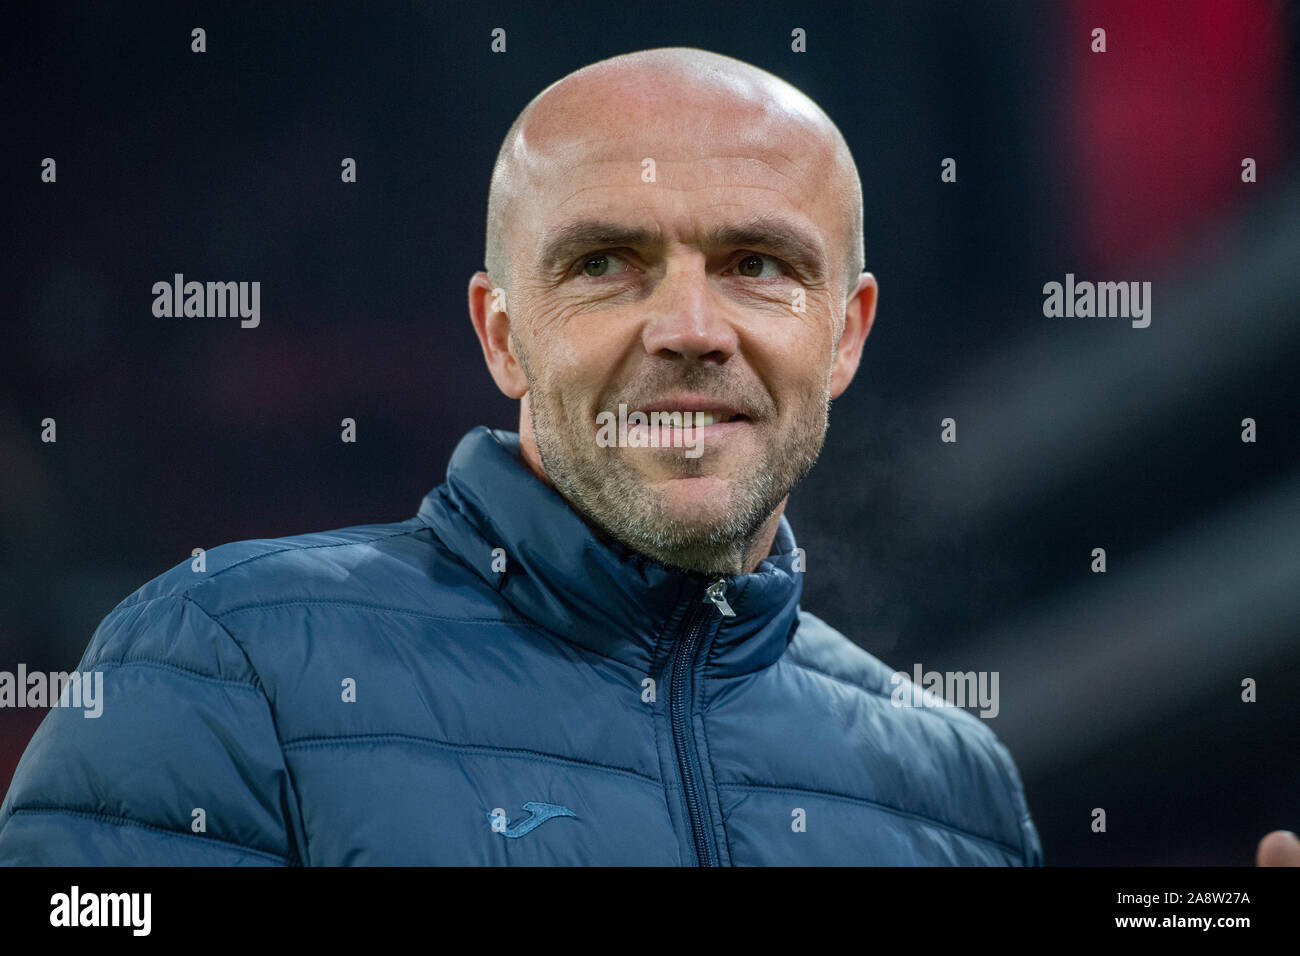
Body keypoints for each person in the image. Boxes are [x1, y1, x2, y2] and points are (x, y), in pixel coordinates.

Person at [0, 44, 1142, 866]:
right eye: (607, 262)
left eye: (756, 262)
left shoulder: (959, 793)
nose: (689, 326)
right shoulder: (216, 667)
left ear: (844, 334)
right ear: (502, 332)